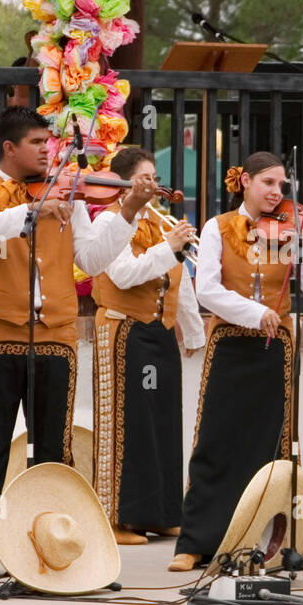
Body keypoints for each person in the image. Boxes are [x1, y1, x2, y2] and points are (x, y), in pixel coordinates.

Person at [0, 107, 156, 574]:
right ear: (9, 148)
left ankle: (47, 542)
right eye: (37, 144)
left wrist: (127, 210)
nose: (49, 150)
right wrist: (30, 210)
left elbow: (92, 257)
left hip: (57, 335)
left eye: (50, 143)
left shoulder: (70, 196)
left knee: (54, 447)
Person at [169, 151, 303, 572]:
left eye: (282, 186)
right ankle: (197, 541)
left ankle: (273, 544)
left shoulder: (292, 233)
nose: (277, 193)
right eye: (269, 183)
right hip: (229, 344)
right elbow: (206, 289)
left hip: (276, 350)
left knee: (275, 446)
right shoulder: (217, 227)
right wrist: (254, 312)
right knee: (216, 440)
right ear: (245, 182)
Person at [91, 146, 205, 546]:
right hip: (124, 330)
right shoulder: (109, 222)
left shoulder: (162, 223)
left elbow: (181, 280)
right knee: (127, 424)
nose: (154, 186)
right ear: (124, 184)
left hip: (158, 332)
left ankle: (162, 513)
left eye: (154, 179)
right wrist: (168, 247)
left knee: (163, 421)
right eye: (145, 179)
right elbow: (122, 275)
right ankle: (119, 517)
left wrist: (192, 332)